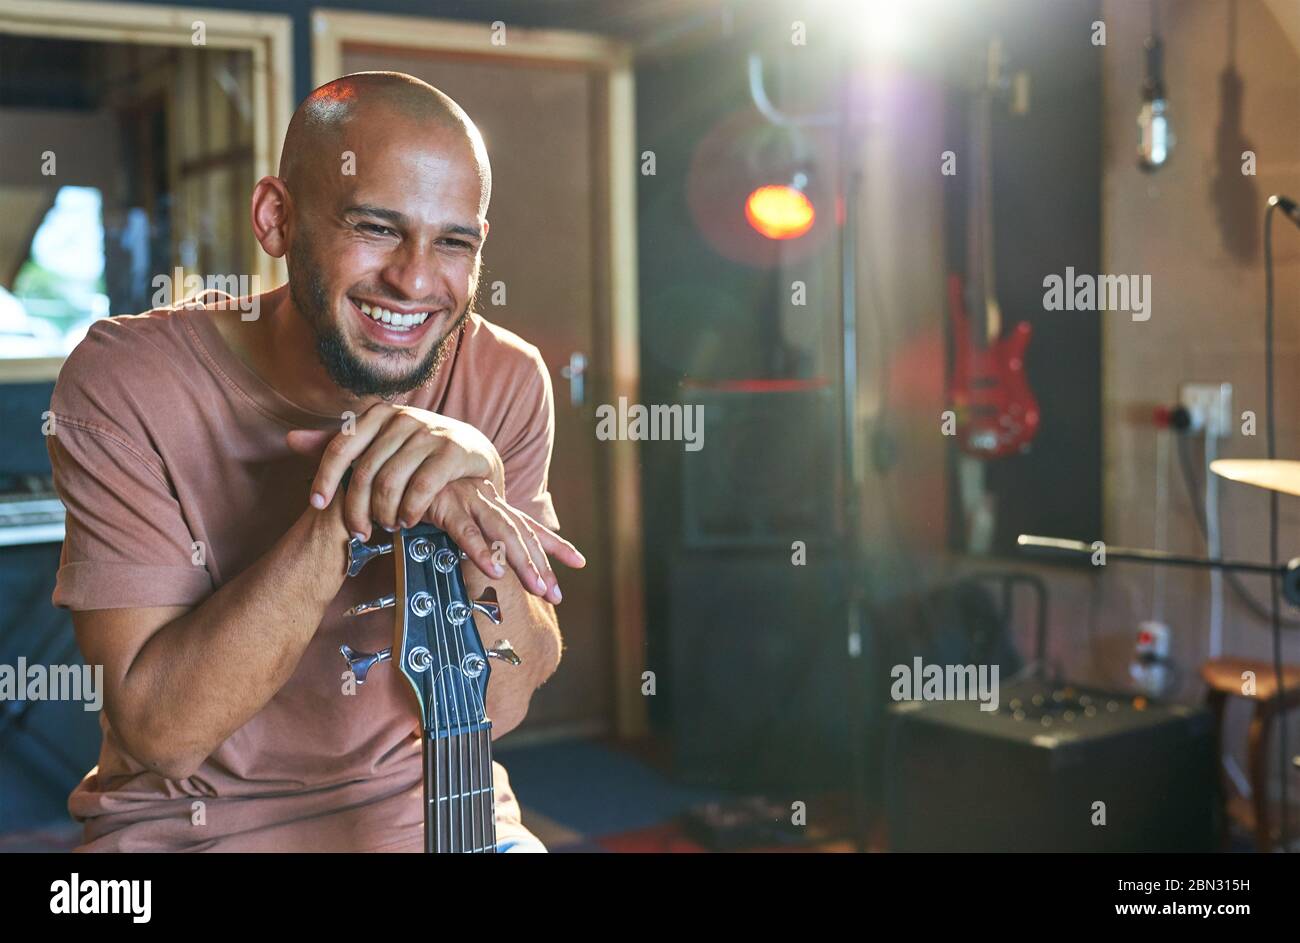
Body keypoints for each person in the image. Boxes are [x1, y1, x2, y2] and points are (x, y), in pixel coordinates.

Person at [46, 71, 584, 852]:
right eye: (376, 228)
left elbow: (504, 702)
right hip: (192, 835)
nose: (415, 278)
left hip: (438, 812)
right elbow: (161, 733)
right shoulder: (127, 380)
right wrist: (345, 512)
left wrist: (479, 492)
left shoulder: (504, 376)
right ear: (277, 219)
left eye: (454, 242)